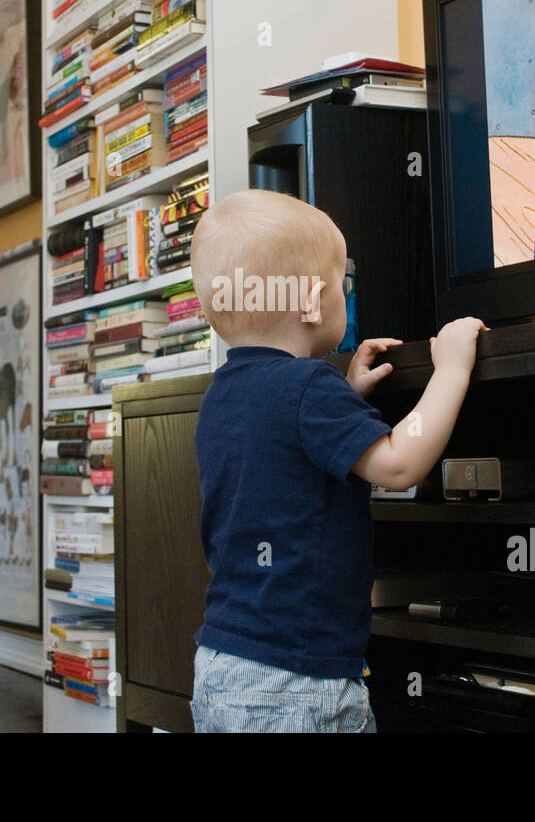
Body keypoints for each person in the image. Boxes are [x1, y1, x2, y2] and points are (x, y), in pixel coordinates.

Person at [187, 189, 486, 732]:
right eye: (341, 286)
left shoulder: (226, 393)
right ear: (311, 301)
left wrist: (348, 396)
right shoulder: (308, 388)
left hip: (222, 665)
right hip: (296, 679)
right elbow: (399, 464)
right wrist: (451, 370)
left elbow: (285, 454)